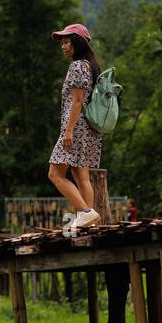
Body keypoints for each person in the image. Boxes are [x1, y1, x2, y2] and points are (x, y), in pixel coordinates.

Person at [47, 23, 103, 228]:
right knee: (81, 176)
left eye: (67, 42)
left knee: (55, 173)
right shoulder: (91, 66)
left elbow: (78, 101)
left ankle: (85, 211)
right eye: (62, 43)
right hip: (88, 129)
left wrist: (68, 131)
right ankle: (90, 220)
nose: (63, 46)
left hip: (76, 127)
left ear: (78, 43)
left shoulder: (78, 66)